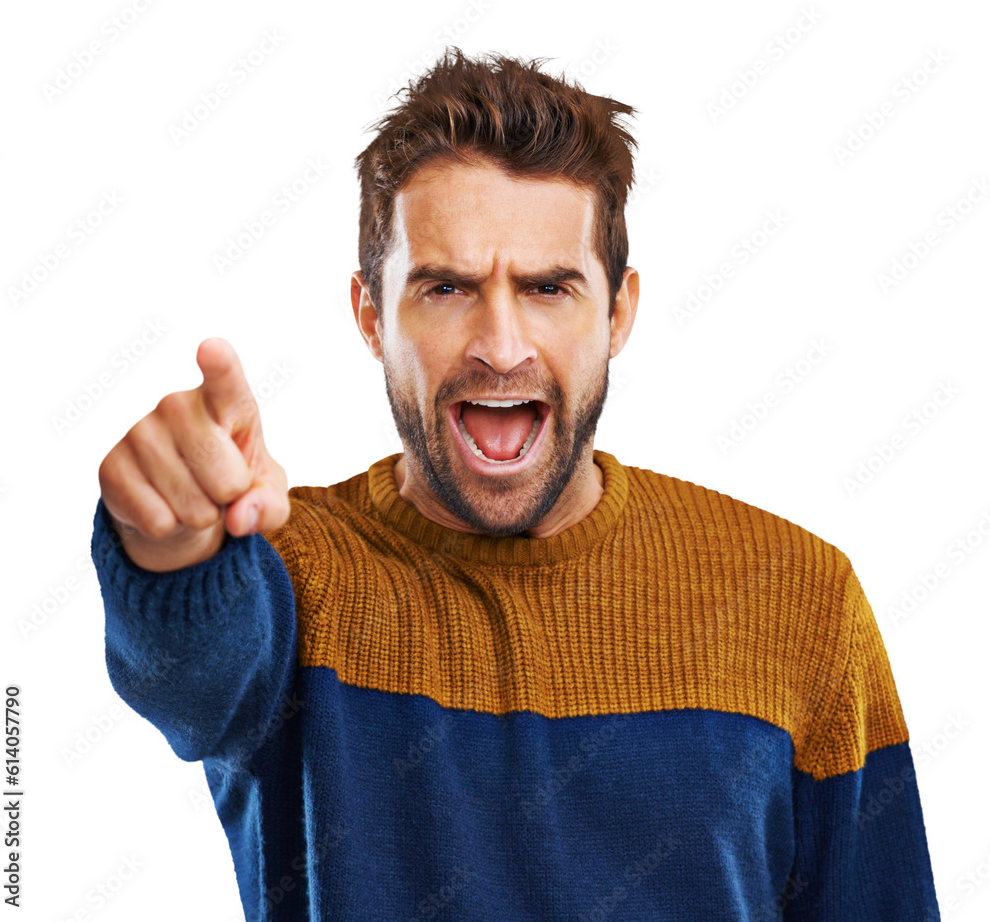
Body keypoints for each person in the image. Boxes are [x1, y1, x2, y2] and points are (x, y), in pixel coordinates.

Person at [90, 47, 941, 921]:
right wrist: (172, 536)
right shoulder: (297, 576)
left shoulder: (799, 597)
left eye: (546, 287)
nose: (500, 345)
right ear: (370, 318)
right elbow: (191, 669)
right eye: (448, 287)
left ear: (618, 314)